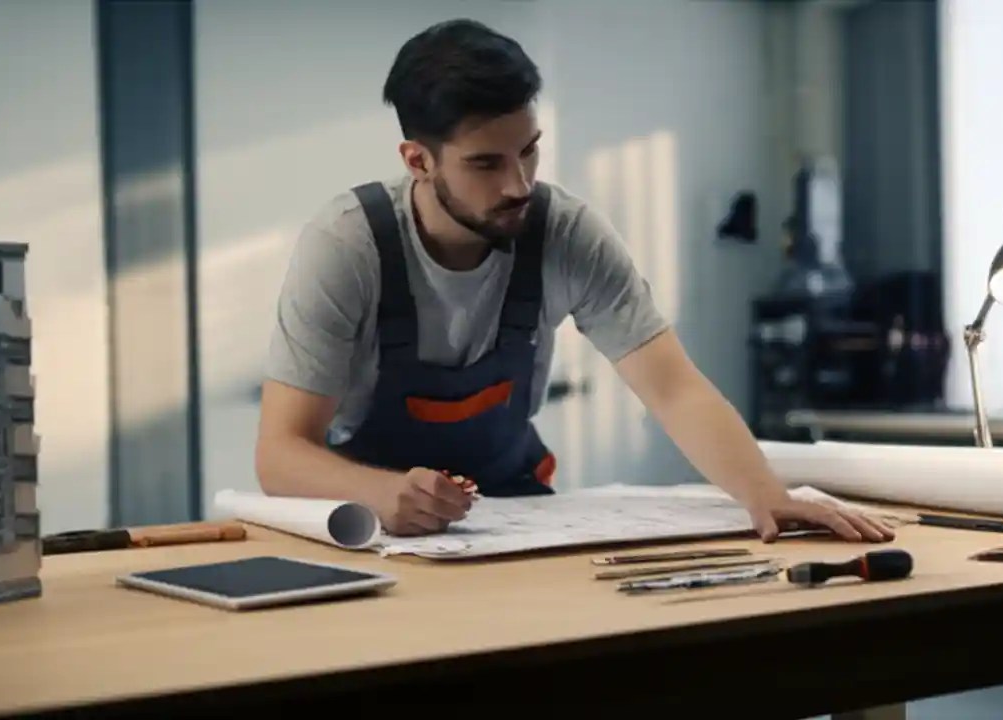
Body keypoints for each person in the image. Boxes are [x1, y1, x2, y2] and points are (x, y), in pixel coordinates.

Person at [254, 18, 893, 544]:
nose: (519, 184)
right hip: (374, 525)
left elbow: (673, 389)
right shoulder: (348, 245)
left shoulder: (564, 232)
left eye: (529, 149)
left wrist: (766, 494)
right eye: (486, 163)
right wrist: (381, 493)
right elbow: (280, 454)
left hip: (514, 519)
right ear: (418, 161)